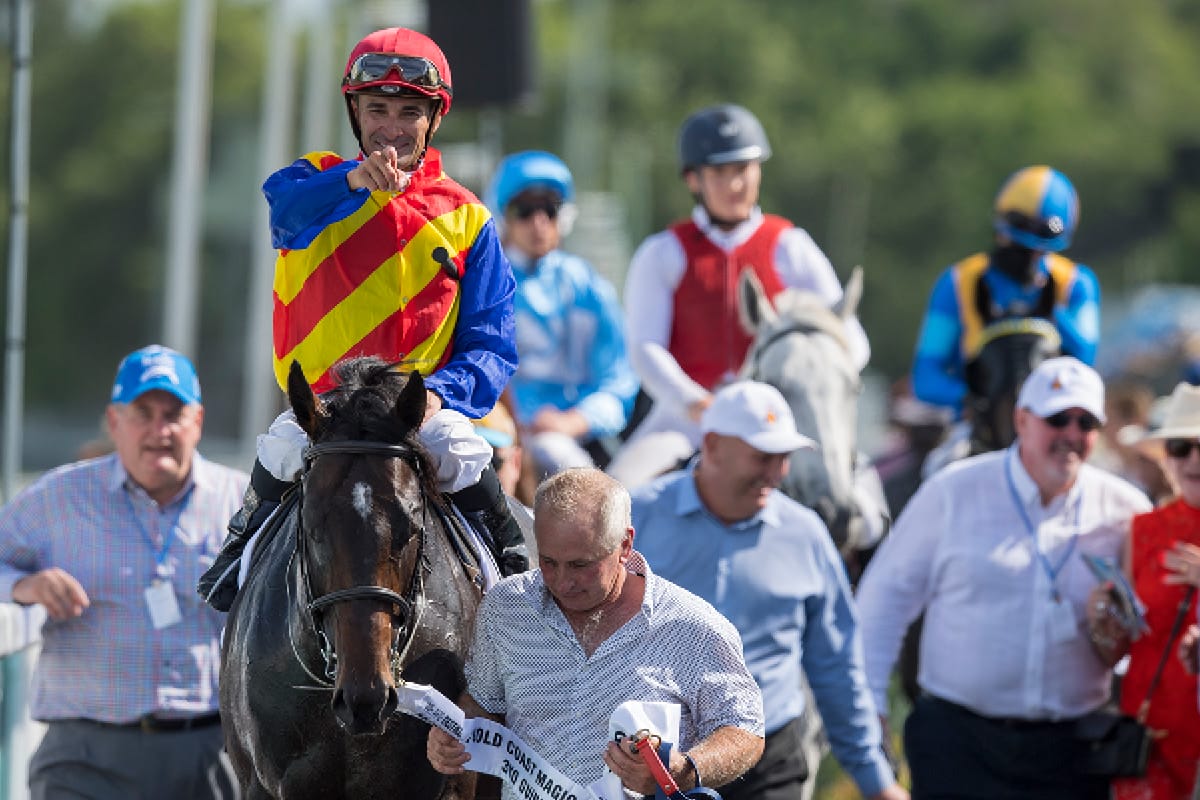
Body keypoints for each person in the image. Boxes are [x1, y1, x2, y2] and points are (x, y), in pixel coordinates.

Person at [198, 27, 526, 610]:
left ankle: (516, 580)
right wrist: (354, 181)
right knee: (279, 448)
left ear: (433, 120)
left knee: (465, 452)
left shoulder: (470, 217)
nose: (392, 128)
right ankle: (235, 562)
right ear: (355, 112)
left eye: (408, 112)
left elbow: (492, 345)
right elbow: (286, 216)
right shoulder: (312, 182)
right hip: (324, 409)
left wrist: (440, 397)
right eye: (377, 109)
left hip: (411, 412)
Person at [856, 356, 1152, 800]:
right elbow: (883, 601)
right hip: (960, 744)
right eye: (1058, 419)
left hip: (1074, 749)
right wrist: (870, 708)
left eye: (1086, 422)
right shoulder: (954, 490)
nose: (1072, 434)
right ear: (1022, 420)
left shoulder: (1126, 508)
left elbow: (1149, 625)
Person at [630, 380, 908, 800]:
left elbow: (836, 666)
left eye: (783, 459)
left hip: (769, 761)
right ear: (712, 444)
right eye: (762, 457)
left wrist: (876, 780)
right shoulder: (638, 517)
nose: (776, 473)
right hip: (654, 761)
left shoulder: (806, 534)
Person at [426, 467, 766, 798]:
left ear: (625, 545)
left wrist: (685, 769)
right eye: (548, 562)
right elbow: (484, 704)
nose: (562, 582)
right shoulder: (506, 606)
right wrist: (455, 735)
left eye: (581, 565)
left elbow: (744, 730)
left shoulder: (692, 627)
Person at [0, 345, 247, 799]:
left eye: (174, 414)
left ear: (198, 422)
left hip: (208, 756)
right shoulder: (57, 497)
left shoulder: (242, 504)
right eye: (143, 413)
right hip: (84, 760)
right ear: (114, 422)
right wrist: (24, 585)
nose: (160, 430)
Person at [611, 104, 870, 488]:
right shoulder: (662, 252)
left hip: (779, 420)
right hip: (688, 421)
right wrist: (699, 404)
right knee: (618, 493)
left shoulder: (792, 245)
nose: (735, 185)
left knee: (865, 514)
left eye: (744, 169)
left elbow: (853, 341)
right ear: (693, 179)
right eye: (720, 172)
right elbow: (646, 349)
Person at [485, 150, 639, 480]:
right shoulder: (484, 282)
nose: (538, 222)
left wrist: (574, 421)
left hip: (572, 442)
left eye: (549, 209)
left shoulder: (588, 287)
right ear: (503, 217)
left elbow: (619, 381)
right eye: (524, 210)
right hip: (494, 432)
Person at [911, 165, 1100, 419]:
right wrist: (972, 399)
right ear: (1000, 231)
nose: (1028, 258)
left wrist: (1054, 314)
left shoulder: (1077, 284)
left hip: (1053, 425)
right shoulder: (956, 283)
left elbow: (1085, 358)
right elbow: (925, 376)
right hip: (976, 423)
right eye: (1019, 246)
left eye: (1038, 251)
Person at [1089, 382, 1200, 799]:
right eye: (1179, 447)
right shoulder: (1144, 529)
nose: (1192, 460)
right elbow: (1122, 646)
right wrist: (1102, 620)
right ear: (1164, 458)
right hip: (1150, 734)